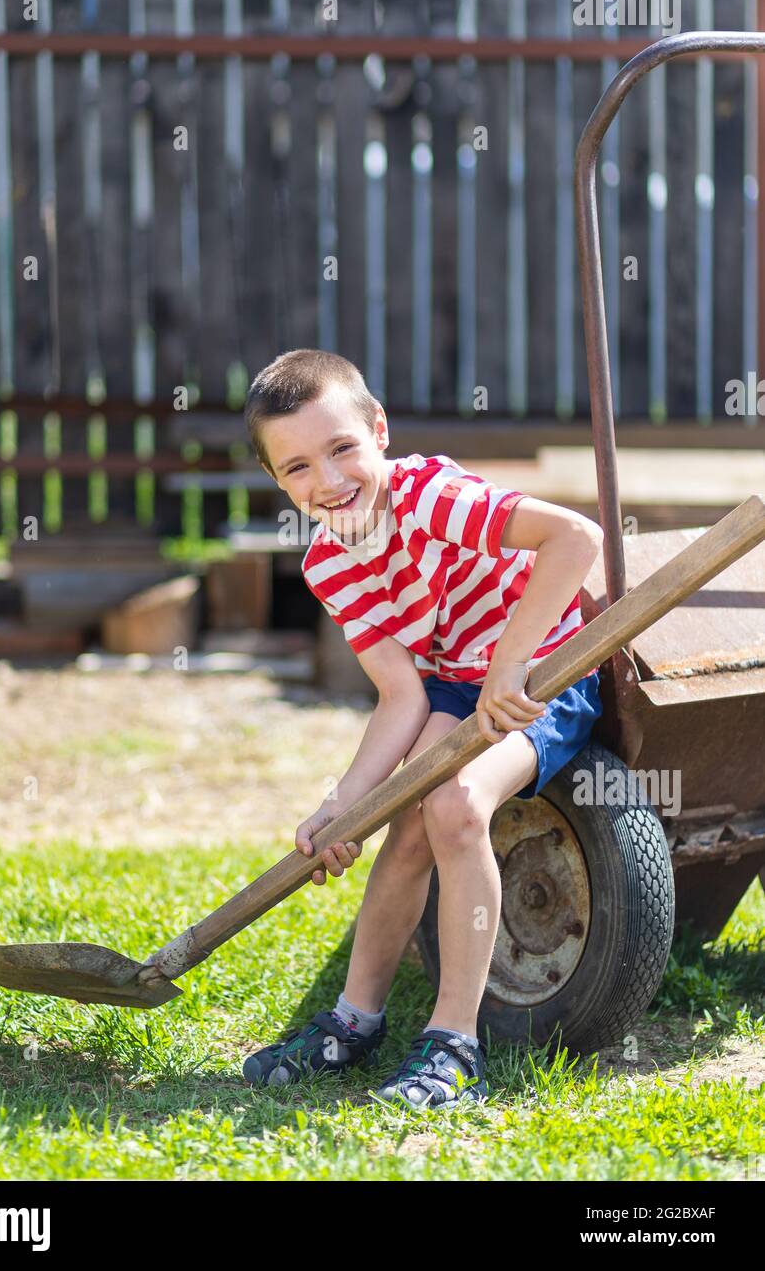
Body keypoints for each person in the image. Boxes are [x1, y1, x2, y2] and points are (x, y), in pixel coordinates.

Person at [211, 349, 602, 1110]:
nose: (327, 481)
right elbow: (401, 696)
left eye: (342, 448)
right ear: (275, 480)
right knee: (405, 829)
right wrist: (344, 806)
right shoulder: (329, 563)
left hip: (546, 676)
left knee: (453, 808)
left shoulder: (432, 499)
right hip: (454, 686)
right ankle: (354, 1023)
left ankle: (454, 1042)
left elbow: (577, 539)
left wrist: (511, 665)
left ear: (379, 429)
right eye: (296, 468)